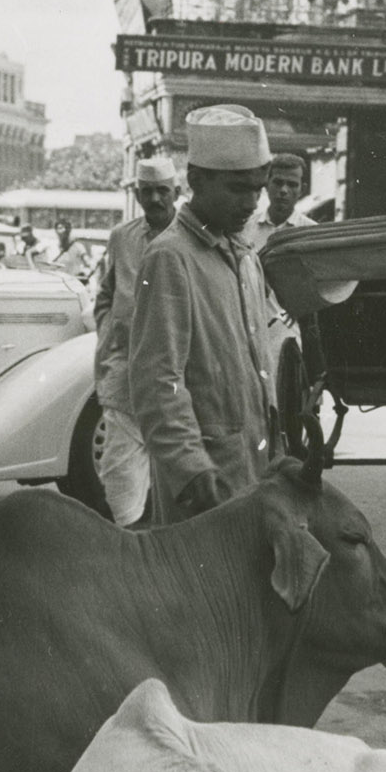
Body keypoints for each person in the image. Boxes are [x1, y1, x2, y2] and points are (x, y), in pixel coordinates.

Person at [129, 104, 276, 520]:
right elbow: (157, 380)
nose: (251, 202)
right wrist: (190, 469)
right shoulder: (170, 258)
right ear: (195, 181)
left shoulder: (245, 257)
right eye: (238, 189)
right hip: (203, 489)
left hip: (251, 475)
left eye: (258, 188)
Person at [90, 151, 182, 525]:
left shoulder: (190, 238)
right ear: (138, 193)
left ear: (176, 191)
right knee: (121, 480)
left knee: (175, 478)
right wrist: (112, 335)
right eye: (148, 192)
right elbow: (105, 296)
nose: (156, 199)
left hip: (179, 377)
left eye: (162, 191)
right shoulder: (122, 238)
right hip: (126, 374)